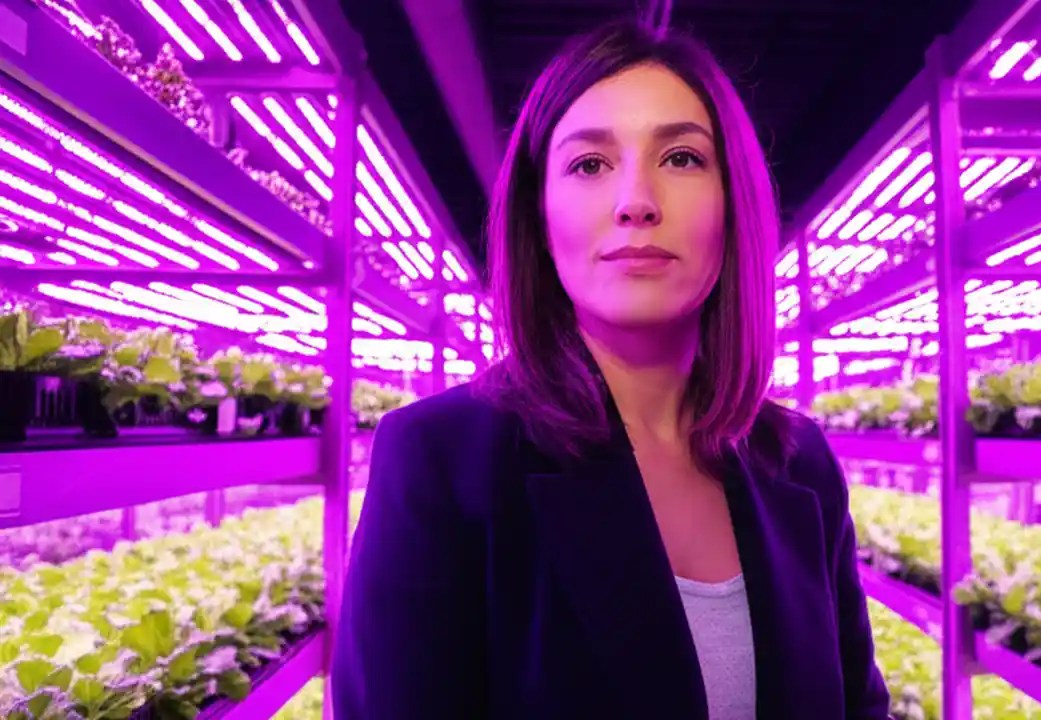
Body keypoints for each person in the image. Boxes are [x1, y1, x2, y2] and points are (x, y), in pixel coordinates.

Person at [331, 17, 890, 720]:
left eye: (682, 158)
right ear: (539, 215)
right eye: (589, 165)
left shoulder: (798, 459)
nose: (636, 201)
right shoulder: (443, 461)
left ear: (732, 202)